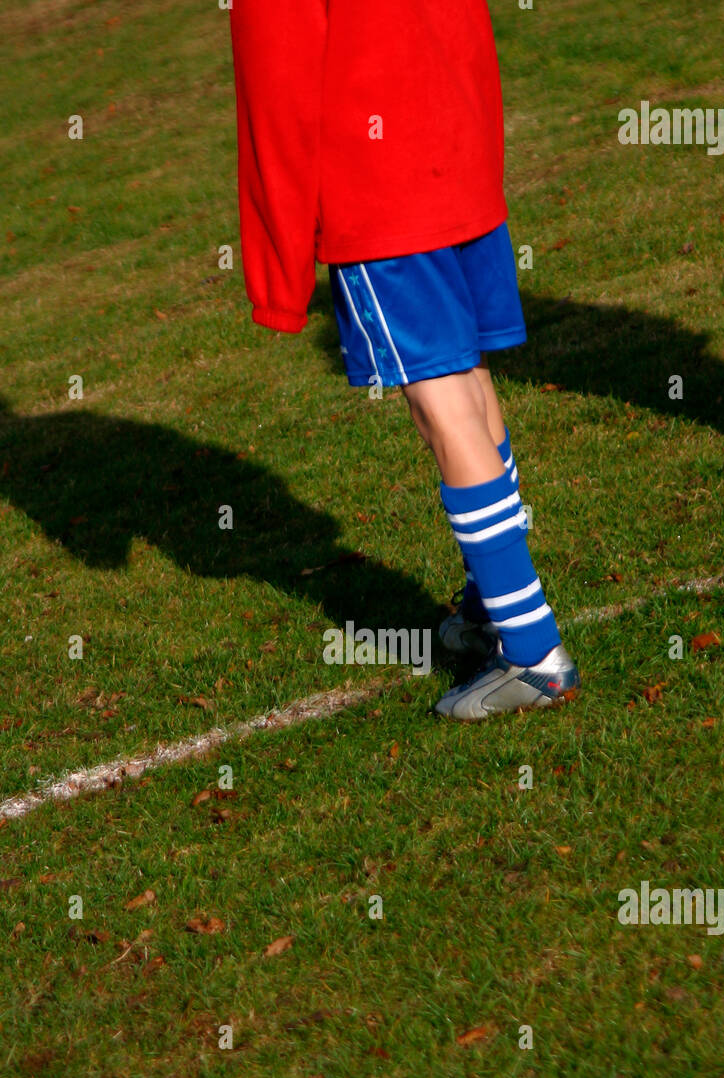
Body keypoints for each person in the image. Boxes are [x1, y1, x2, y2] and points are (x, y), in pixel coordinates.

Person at [228, 1, 579, 720]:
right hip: (454, 147)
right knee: (469, 377)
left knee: (439, 399)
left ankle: (533, 652)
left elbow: (278, 86)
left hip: (379, 188)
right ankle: (491, 604)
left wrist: (280, 275)